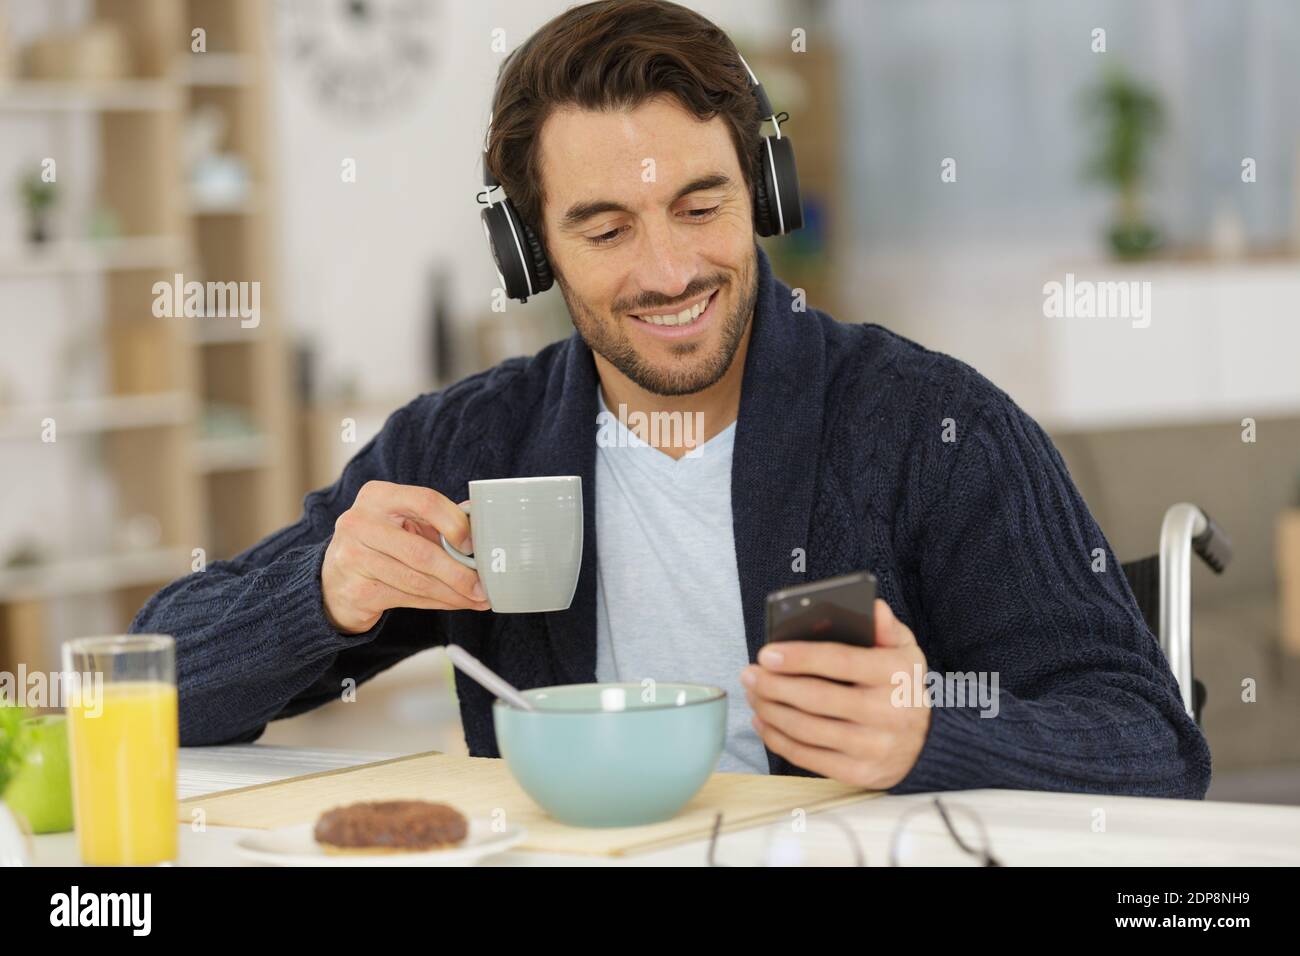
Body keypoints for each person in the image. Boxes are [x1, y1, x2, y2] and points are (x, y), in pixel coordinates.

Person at [132, 0, 1210, 797]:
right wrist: (319, 589)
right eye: (604, 230)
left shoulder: (930, 424)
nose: (665, 270)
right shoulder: (476, 442)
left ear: (766, 193)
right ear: (530, 253)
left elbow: (1149, 737)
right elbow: (150, 688)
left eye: (701, 205)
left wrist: (932, 733)